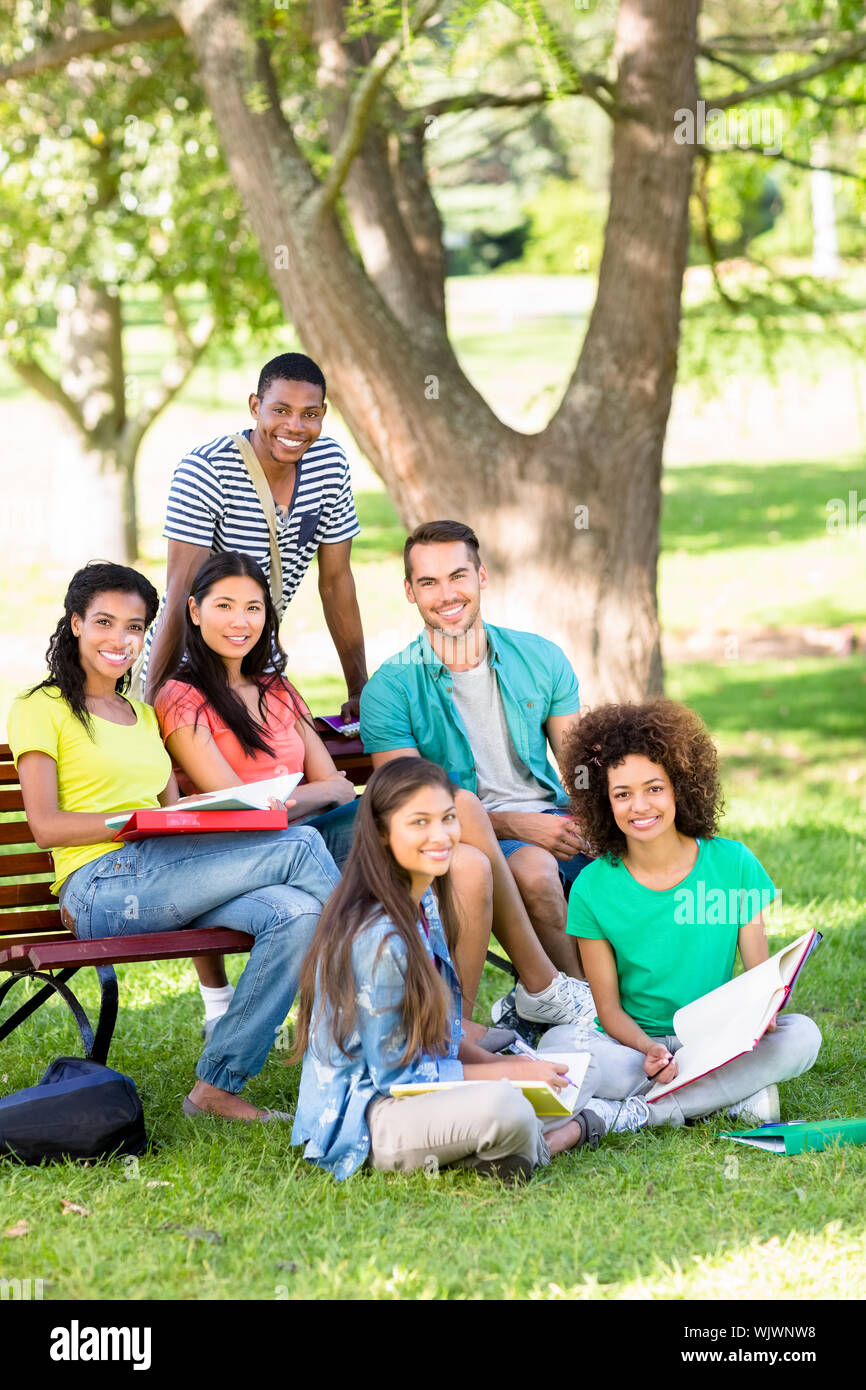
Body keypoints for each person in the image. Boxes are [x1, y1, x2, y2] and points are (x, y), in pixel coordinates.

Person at [7, 561, 340, 1123]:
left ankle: (215, 1090)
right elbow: (46, 826)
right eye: (105, 623)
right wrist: (125, 821)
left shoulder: (139, 714)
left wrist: (200, 815)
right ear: (75, 624)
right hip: (98, 889)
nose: (120, 640)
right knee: (302, 846)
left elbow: (174, 812)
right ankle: (391, 1024)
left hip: (162, 873)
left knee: (298, 913)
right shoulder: (40, 708)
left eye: (134, 627)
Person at [291, 758, 646, 1181]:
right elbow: (396, 1078)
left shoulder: (423, 902)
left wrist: (530, 1066)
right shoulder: (377, 936)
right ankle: (555, 1136)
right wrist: (510, 1072)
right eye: (419, 823)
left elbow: (439, 1033)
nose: (439, 836)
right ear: (384, 835)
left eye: (448, 819)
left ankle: (522, 1136)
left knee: (582, 1071)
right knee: (506, 1107)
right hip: (374, 1116)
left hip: (431, 1095)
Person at [359, 519, 596, 1034]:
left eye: (458, 576)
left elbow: (579, 769)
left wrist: (603, 821)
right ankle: (586, 1015)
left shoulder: (540, 657)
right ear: (409, 591)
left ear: (482, 576)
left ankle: (660, 1006)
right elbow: (410, 809)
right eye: (428, 582)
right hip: (464, 835)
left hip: (559, 820)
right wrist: (518, 826)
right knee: (534, 871)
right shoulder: (391, 689)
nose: (447, 595)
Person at [540, 699, 822, 1126]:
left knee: (802, 1035)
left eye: (654, 788)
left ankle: (638, 1113)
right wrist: (648, 1050)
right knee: (560, 1047)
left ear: (680, 787)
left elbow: (758, 980)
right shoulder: (592, 888)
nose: (640, 807)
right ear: (603, 802)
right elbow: (609, 1011)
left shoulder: (733, 864)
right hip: (634, 1050)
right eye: (622, 794)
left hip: (716, 1039)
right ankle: (722, 1095)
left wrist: (761, 1017)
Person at [154, 550, 359, 1039]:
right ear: (195, 610)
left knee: (384, 816)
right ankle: (370, 1000)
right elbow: (237, 802)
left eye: (253, 607)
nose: (240, 621)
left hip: (301, 836)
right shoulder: (180, 697)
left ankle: (421, 1002)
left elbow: (338, 784)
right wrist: (306, 798)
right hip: (234, 855)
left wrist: (292, 802)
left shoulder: (278, 688)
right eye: (224, 606)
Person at [143, 352, 367, 720]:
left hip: (258, 662)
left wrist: (360, 689)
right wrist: (153, 707)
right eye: (280, 410)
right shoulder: (207, 470)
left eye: (309, 414)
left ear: (323, 414)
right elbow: (181, 593)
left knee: (296, 765)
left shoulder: (330, 466)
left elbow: (336, 582)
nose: (294, 426)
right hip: (186, 669)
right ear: (255, 406)